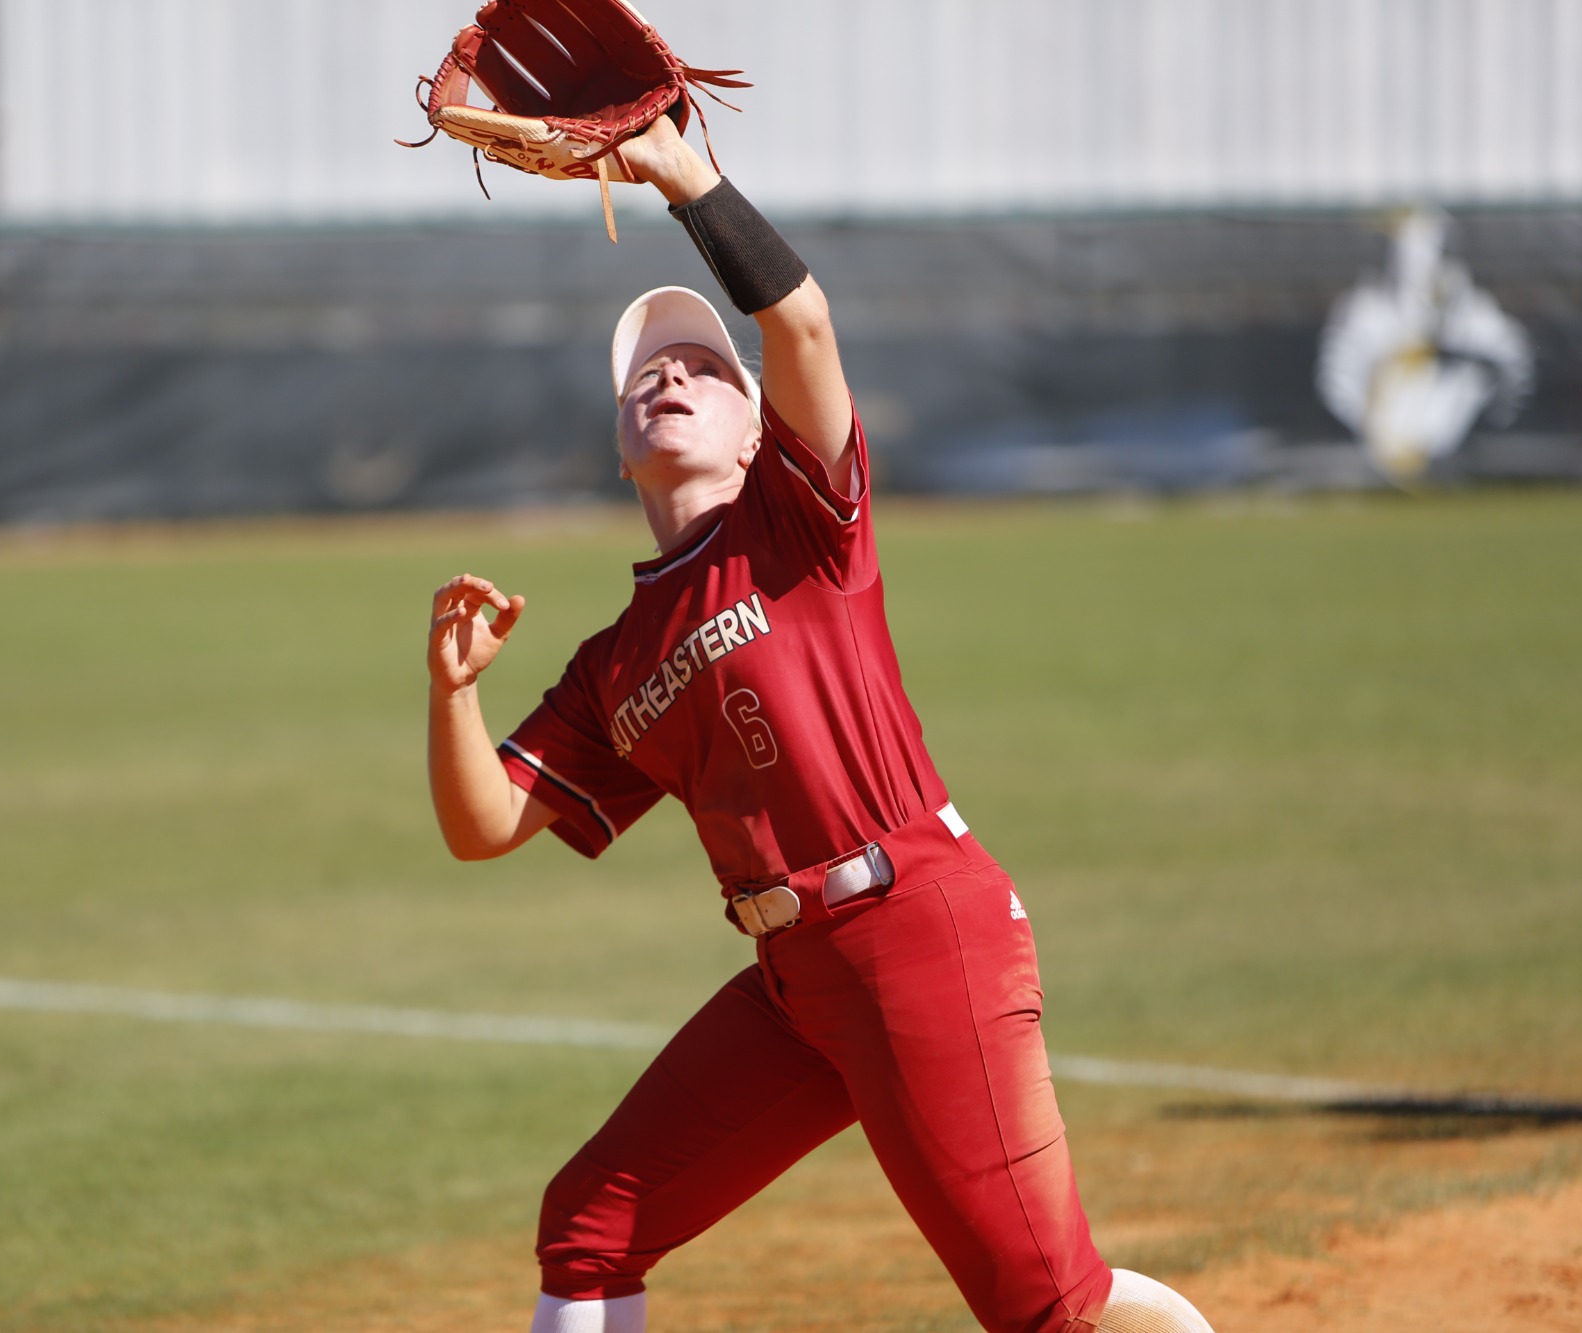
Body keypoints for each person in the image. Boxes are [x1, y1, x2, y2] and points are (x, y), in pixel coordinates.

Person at [424, 115, 1215, 1333]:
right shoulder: (611, 663)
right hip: (794, 982)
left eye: (700, 370)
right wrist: (455, 692)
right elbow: (483, 828)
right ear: (620, 450)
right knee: (588, 1225)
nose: (669, 378)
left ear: (756, 433)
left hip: (917, 929)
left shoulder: (799, 524)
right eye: (647, 375)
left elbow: (798, 324)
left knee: (1042, 1305)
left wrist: (690, 180)